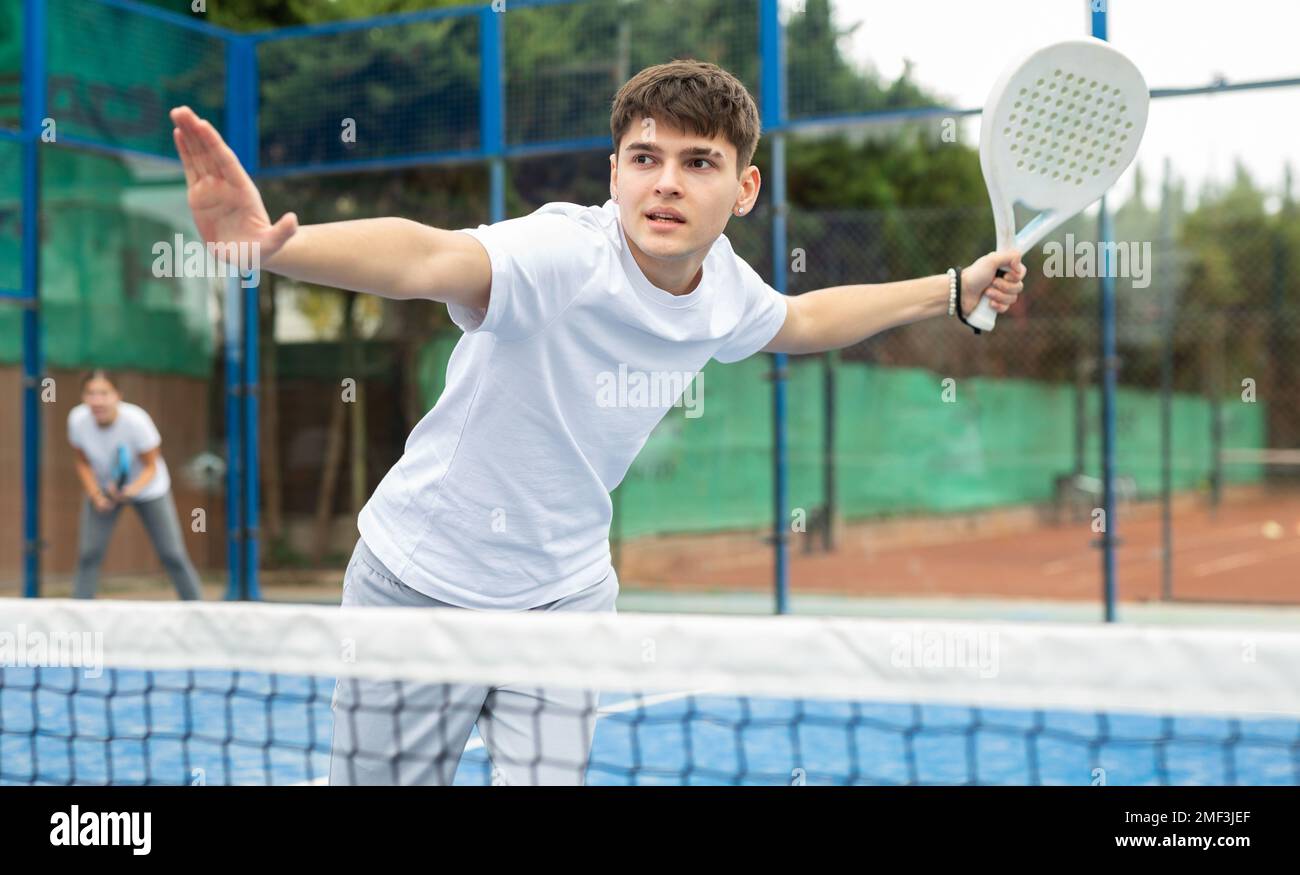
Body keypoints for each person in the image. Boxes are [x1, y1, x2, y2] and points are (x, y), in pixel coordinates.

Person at [168, 59, 1025, 785]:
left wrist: (951, 289)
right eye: (644, 158)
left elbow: (801, 320)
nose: (666, 183)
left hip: (566, 595)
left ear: (744, 188)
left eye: (698, 163)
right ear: (613, 173)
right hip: (421, 582)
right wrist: (279, 246)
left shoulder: (724, 286)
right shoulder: (562, 255)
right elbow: (429, 256)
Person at [68, 370, 204, 601]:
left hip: (150, 489)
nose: (97, 400)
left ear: (117, 396)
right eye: (91, 393)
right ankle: (80, 612)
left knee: (172, 553)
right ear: (83, 397)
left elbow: (151, 465)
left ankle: (197, 609)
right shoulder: (77, 420)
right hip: (104, 490)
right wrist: (96, 494)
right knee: (89, 554)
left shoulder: (137, 421)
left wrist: (132, 490)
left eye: (104, 393)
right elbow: (82, 462)